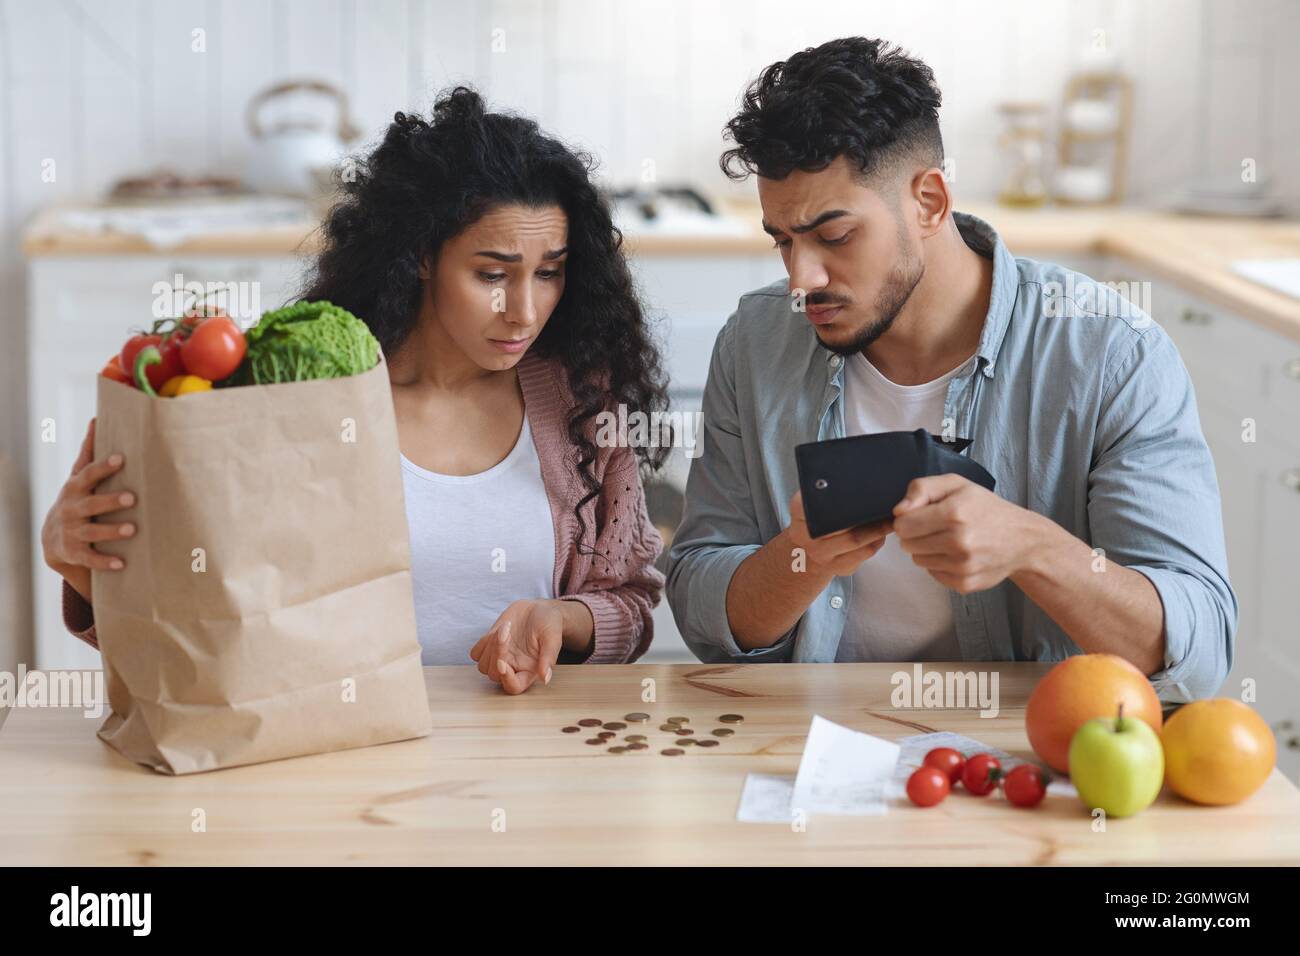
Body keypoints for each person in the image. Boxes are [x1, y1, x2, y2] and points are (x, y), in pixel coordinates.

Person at [43, 87, 669, 695]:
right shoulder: (304, 394)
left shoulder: (581, 405)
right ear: (423, 256)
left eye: (550, 273)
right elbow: (201, 626)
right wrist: (80, 562)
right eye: (491, 275)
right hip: (330, 752)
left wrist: (563, 619)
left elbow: (634, 603)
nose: (526, 312)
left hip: (521, 758)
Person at [666, 37, 1235, 702]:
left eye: (835, 236)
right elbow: (701, 604)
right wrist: (801, 556)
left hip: (1030, 757)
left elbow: (1197, 656)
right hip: (802, 743)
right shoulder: (756, 343)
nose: (802, 278)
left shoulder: (1113, 354)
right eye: (782, 241)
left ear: (929, 203)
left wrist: (1032, 547)